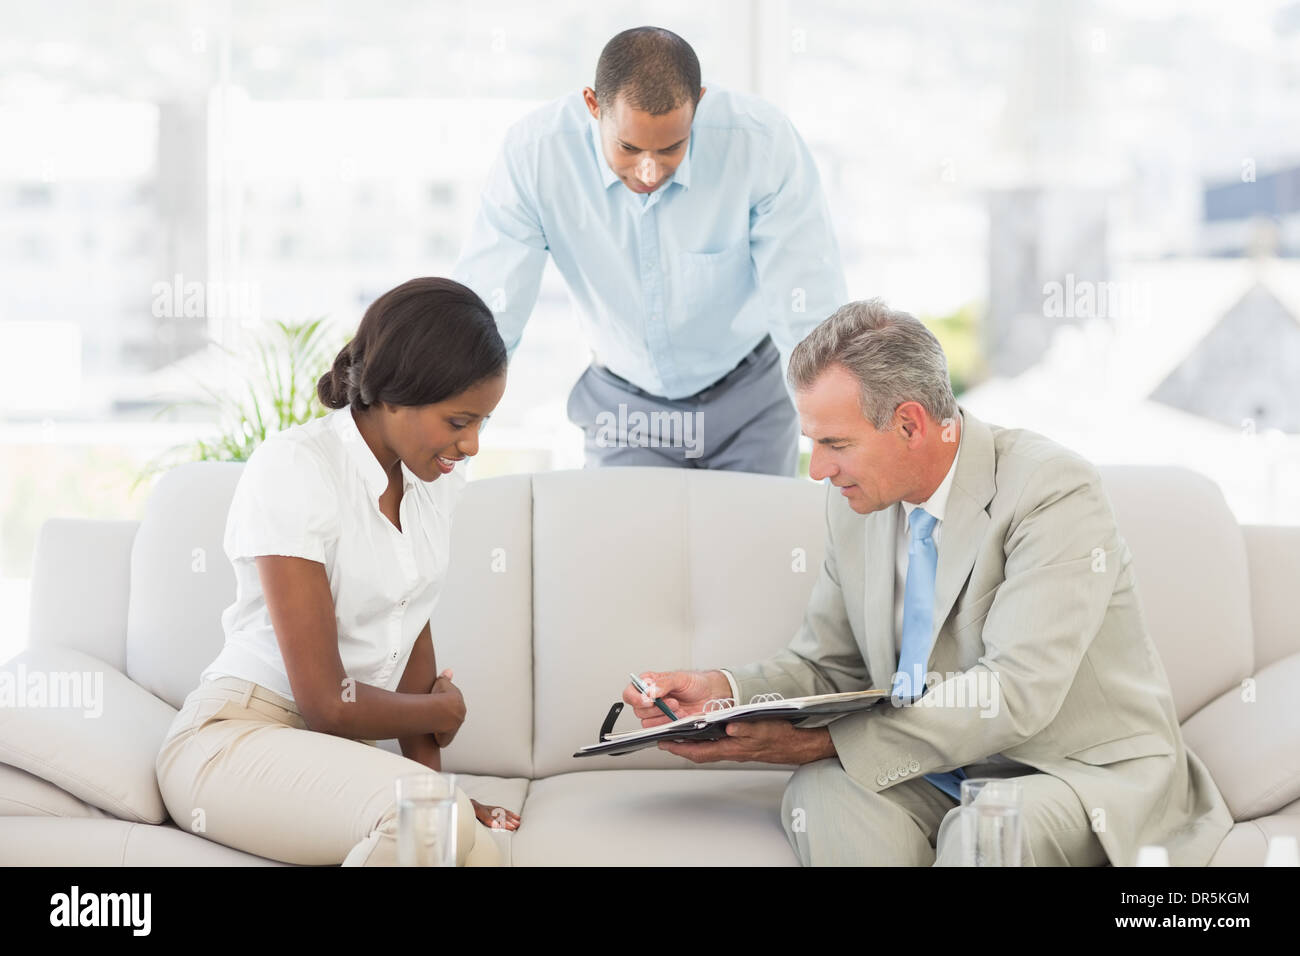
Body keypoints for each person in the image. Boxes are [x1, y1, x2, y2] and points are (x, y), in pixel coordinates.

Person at [623, 298, 1234, 866]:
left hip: (1069, 772)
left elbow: (1013, 694)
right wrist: (722, 691)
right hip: (933, 768)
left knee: (987, 828)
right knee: (823, 796)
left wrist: (825, 743)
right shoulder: (855, 504)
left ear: (911, 425)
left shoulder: (1051, 491)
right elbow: (829, 666)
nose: (820, 470)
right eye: (813, 445)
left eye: (835, 444)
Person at [156, 277, 520, 866]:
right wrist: (440, 712)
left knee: (478, 854)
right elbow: (325, 702)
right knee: (440, 827)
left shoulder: (433, 486)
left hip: (327, 760)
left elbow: (411, 622)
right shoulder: (297, 468)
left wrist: (436, 790)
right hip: (234, 740)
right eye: (459, 421)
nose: (472, 444)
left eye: (483, 423)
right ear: (397, 395)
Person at [452, 26, 847, 474]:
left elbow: (808, 310)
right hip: (624, 407)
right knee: (625, 543)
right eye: (628, 147)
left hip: (750, 399)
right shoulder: (534, 156)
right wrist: (451, 429)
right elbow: (490, 312)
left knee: (753, 543)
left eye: (671, 147)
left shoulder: (761, 143)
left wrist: (840, 434)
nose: (648, 170)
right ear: (592, 105)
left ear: (698, 103)